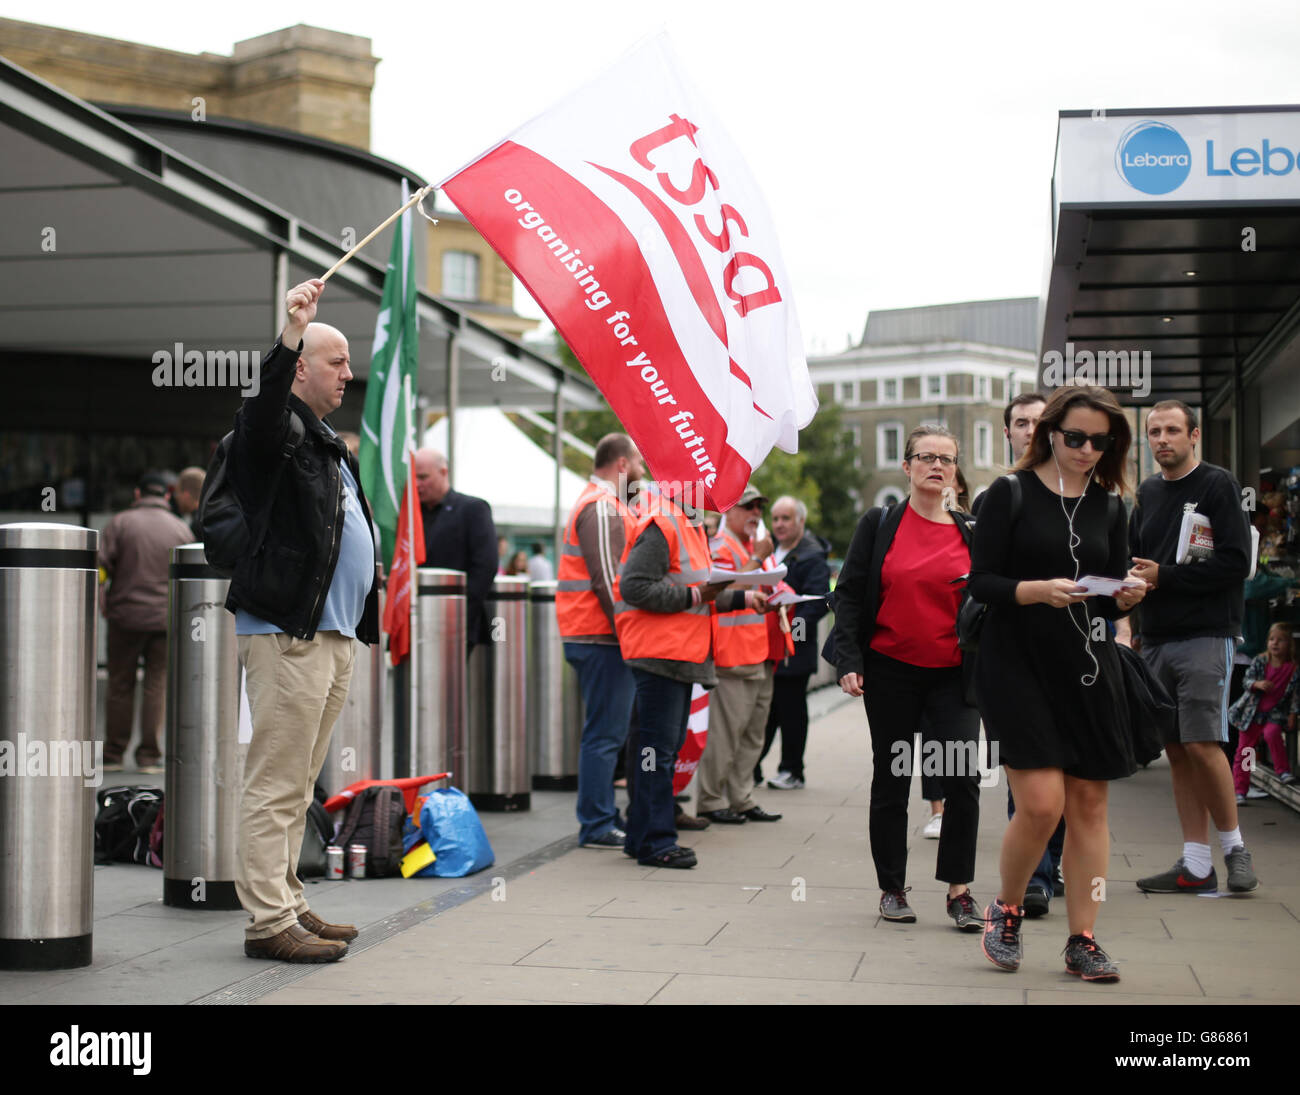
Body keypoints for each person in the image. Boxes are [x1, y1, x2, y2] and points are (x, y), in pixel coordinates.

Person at [226, 278, 380, 962]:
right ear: (301, 369)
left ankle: (286, 899)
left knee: (299, 784)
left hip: (330, 635)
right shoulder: (276, 429)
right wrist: (290, 331)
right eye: (337, 361)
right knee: (276, 782)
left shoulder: (323, 442)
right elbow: (258, 415)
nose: (350, 373)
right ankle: (267, 922)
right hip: (291, 635)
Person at [972, 385, 1144, 982]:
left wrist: (1128, 595)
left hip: (1090, 666)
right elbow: (981, 582)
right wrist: (1036, 590)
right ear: (1050, 432)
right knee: (1043, 804)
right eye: (1076, 437)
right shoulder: (1009, 493)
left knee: (1090, 804)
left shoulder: (1114, 506)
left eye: (1101, 440)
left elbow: (1115, 588)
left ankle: (1083, 938)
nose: (1087, 449)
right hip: (1015, 663)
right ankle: (1008, 907)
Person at [828, 427, 984, 931]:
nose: (937, 466)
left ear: (955, 470)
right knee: (892, 779)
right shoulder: (880, 523)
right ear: (908, 466)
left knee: (961, 779)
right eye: (926, 458)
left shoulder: (970, 531)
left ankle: (959, 891)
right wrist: (848, 658)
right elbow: (849, 593)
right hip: (892, 672)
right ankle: (892, 888)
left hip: (952, 678)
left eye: (947, 459)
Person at [1129, 400, 1259, 895]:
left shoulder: (1217, 485)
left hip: (1207, 635)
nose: (1162, 439)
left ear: (1194, 435)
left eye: (1172, 431)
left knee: (1205, 744)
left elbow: (1234, 562)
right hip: (1156, 639)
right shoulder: (1146, 492)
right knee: (1178, 750)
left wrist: (1166, 576)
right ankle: (1195, 862)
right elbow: (1133, 559)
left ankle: (1235, 851)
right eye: (1154, 431)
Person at [614, 481, 740, 868]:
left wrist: (745, 598)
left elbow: (697, 589)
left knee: (651, 751)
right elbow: (635, 586)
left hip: (673, 654)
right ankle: (657, 842)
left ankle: (642, 837)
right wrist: (696, 597)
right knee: (657, 753)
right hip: (662, 655)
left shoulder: (686, 522)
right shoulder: (666, 521)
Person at [557, 433, 644, 849]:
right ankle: (596, 823)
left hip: (594, 635)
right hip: (601, 638)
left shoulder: (601, 504)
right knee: (605, 734)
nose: (643, 473)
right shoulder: (602, 507)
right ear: (622, 465)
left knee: (605, 733)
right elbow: (608, 581)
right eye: (639, 464)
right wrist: (630, 632)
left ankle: (601, 818)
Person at [99, 470, 194, 773]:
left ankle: (114, 754)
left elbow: (99, 568)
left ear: (138, 494)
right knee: (156, 685)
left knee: (120, 684)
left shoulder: (120, 523)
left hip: (124, 618)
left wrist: (103, 603)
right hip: (164, 621)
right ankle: (149, 757)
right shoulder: (180, 529)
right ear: (167, 495)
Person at [697, 485, 781, 824]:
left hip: (756, 652)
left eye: (759, 507)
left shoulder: (745, 546)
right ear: (728, 510)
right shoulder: (721, 546)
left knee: (752, 734)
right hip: (732, 655)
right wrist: (758, 559)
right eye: (749, 507)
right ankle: (711, 799)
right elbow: (722, 591)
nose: (756, 514)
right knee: (726, 733)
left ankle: (741, 797)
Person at [755, 495, 831, 790]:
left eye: (786, 518)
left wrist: (792, 634)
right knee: (770, 709)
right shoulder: (771, 552)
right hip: (770, 647)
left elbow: (817, 604)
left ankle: (792, 770)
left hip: (795, 650)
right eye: (775, 519)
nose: (779, 524)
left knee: (791, 710)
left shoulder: (812, 557)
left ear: (801, 521)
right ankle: (754, 766)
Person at [414, 448, 498, 648]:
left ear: (444, 472)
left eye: (423, 477)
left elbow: (485, 565)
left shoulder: (472, 509)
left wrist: (460, 613)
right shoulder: (410, 514)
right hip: (416, 622)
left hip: (456, 623)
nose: (417, 484)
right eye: (413, 477)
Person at [1228, 622, 1297, 803]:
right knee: (1246, 751)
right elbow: (1246, 680)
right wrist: (1256, 684)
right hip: (1251, 714)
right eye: (1272, 639)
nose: (1275, 643)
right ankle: (1241, 788)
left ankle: (1283, 771)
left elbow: (1296, 695)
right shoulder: (1260, 661)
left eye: (1280, 640)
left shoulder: (1293, 669)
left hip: (1273, 714)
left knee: (1272, 733)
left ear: (1289, 644)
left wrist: (1292, 714)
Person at [172, 466, 206, 538]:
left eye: (177, 494)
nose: (176, 498)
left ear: (186, 495)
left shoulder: (196, 526)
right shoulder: (212, 517)